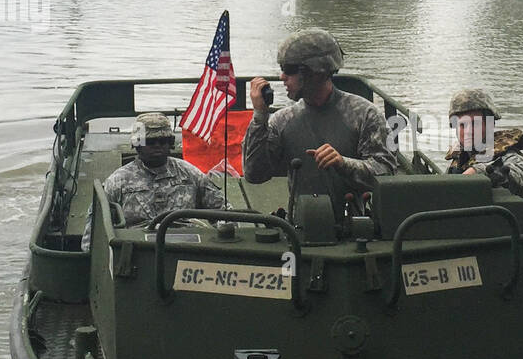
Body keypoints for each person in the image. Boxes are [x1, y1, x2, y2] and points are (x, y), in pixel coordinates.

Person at [244, 28, 396, 204]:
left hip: (354, 218)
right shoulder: (282, 120)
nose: (282, 76)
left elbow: (386, 173)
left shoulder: (364, 115)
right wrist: (260, 116)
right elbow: (254, 174)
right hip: (303, 218)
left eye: (289, 69)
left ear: (316, 72)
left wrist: (343, 164)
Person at [84, 112, 225, 248]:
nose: (157, 145)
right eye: (150, 141)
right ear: (138, 144)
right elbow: (96, 225)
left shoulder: (189, 174)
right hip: (139, 248)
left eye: (163, 141)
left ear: (170, 143)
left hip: (187, 246)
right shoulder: (118, 181)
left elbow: (222, 211)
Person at [445, 89, 523, 211]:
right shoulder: (459, 157)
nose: (468, 131)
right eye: (462, 125)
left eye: (475, 124)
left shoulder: (507, 156)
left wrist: (484, 172)